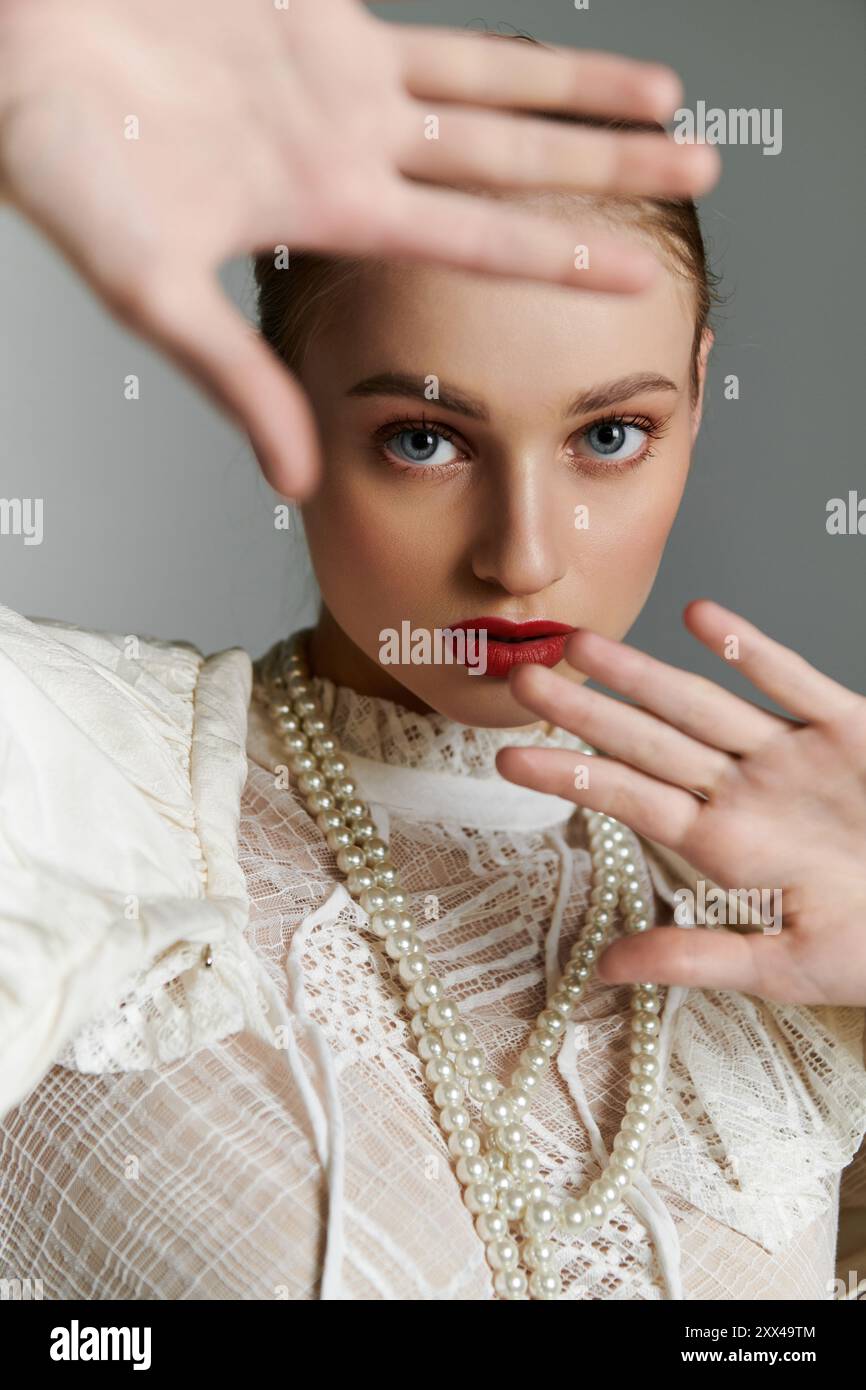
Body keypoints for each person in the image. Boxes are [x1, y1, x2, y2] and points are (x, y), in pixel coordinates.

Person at [0, 0, 864, 1300]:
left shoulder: (791, 903)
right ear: (274, 400)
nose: (519, 555)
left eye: (610, 434)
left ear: (695, 387)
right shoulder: (61, 786)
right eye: (424, 437)